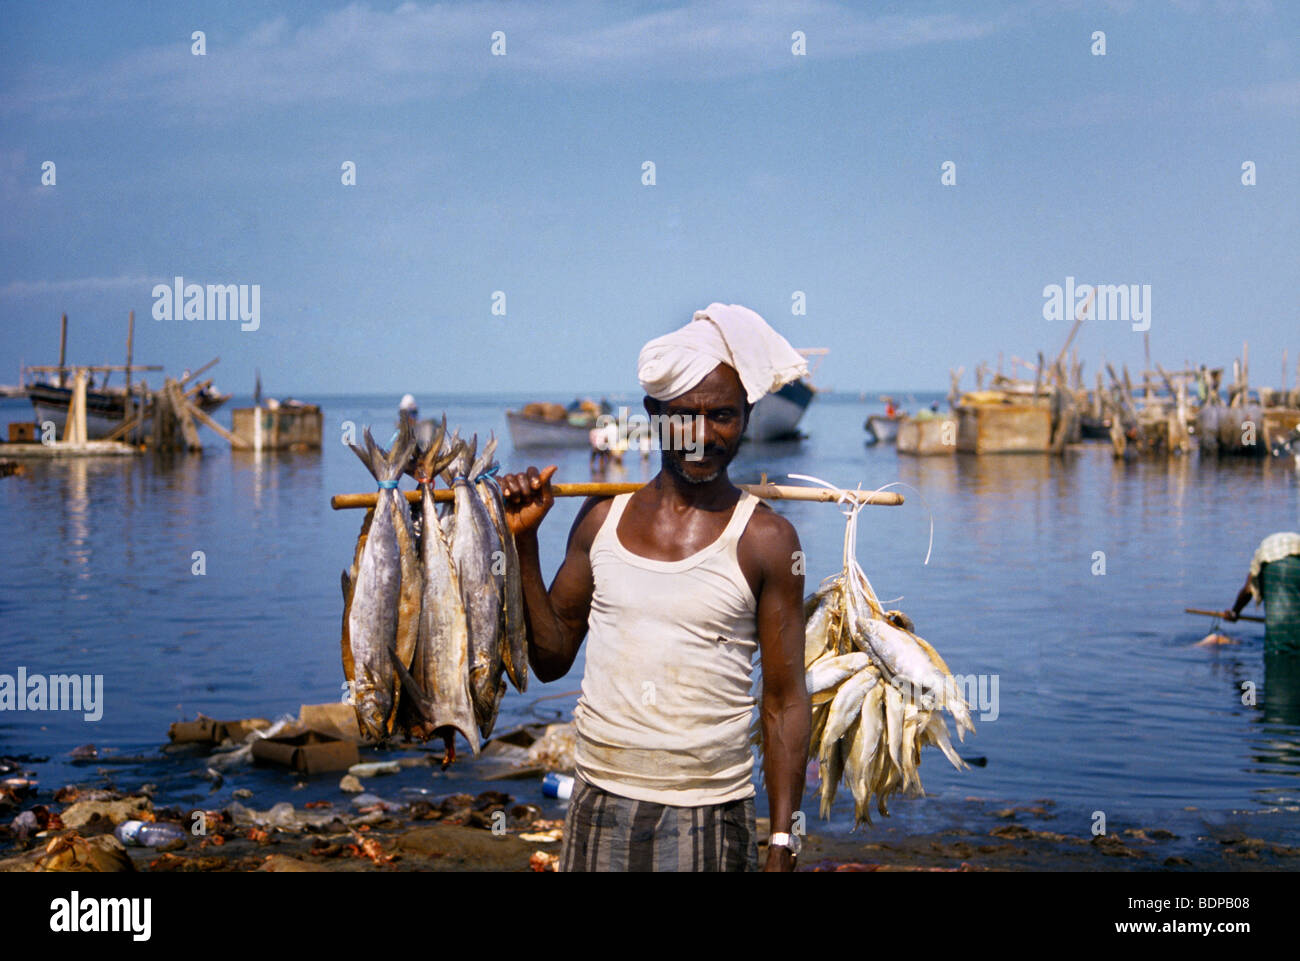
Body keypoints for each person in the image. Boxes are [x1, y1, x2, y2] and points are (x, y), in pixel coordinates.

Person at [498, 303, 810, 872]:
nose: (702, 435)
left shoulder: (765, 539)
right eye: (684, 416)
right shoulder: (600, 522)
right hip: (599, 799)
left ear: (746, 415)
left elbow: (786, 700)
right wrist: (523, 543)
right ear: (653, 414)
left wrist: (783, 840)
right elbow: (549, 660)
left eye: (723, 415)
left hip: (710, 811)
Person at [1223, 531, 1300, 655]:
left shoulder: (1262, 555)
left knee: (1279, 644)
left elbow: (1248, 590)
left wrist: (1234, 612)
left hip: (1273, 564)